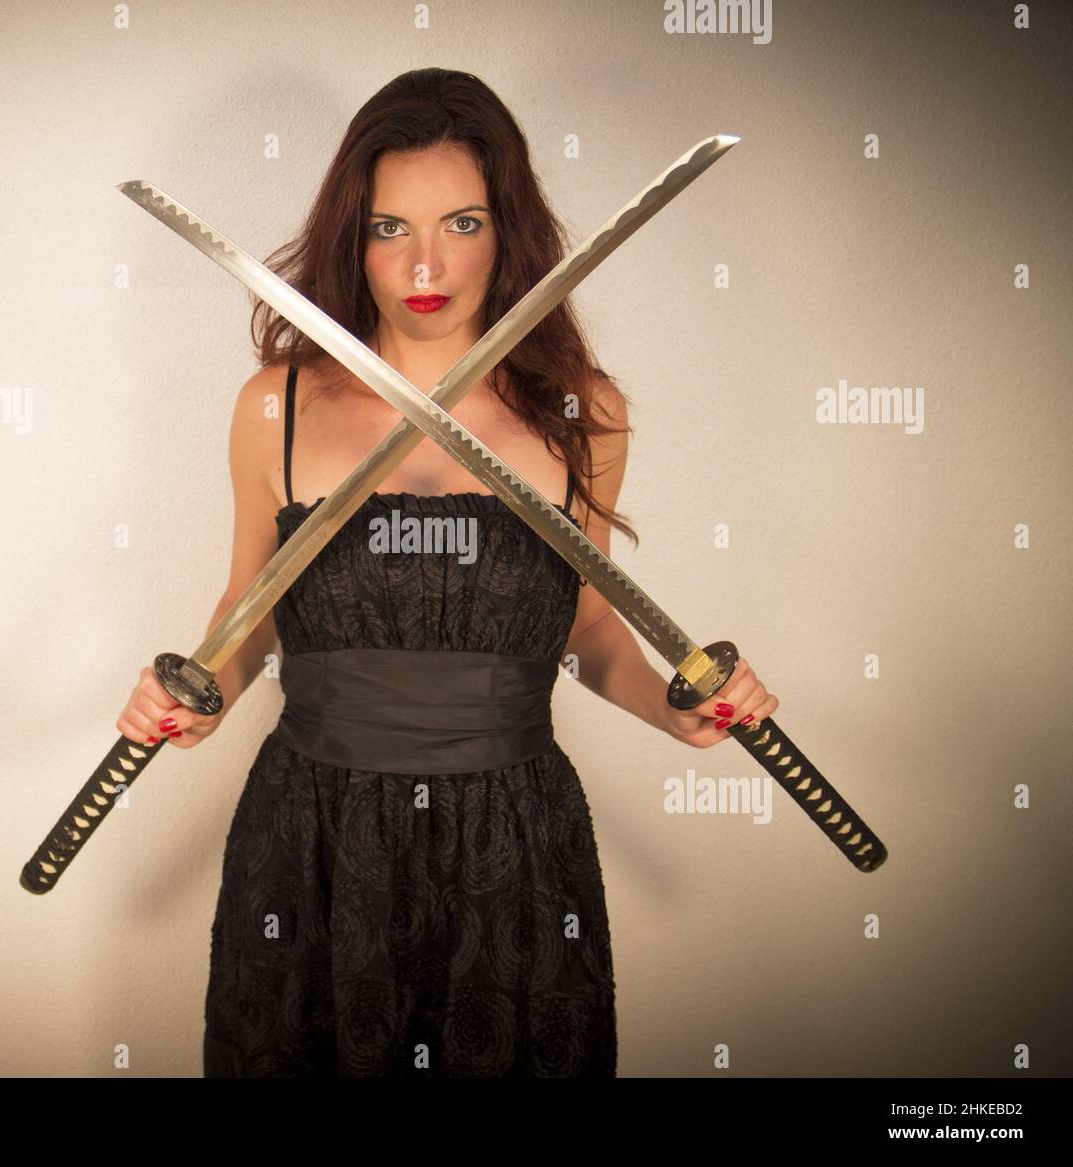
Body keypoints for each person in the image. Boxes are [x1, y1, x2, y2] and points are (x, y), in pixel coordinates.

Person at [115, 68, 779, 1077]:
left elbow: (587, 628)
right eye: (390, 229)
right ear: (356, 236)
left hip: (512, 841)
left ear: (506, 231)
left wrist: (674, 707)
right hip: (312, 840)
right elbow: (246, 614)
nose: (424, 262)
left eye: (460, 224)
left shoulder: (581, 414)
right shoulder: (274, 406)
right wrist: (191, 696)